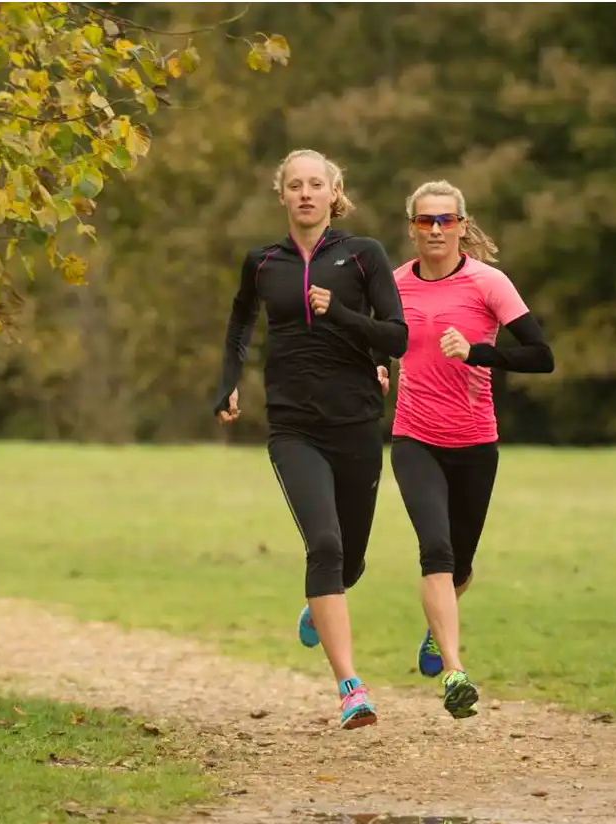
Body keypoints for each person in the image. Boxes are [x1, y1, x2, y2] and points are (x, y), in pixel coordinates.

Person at [214, 149, 409, 730]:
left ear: (333, 192)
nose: (305, 193)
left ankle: (318, 608)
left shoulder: (364, 255)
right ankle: (351, 687)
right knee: (323, 545)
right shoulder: (262, 262)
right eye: (294, 185)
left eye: (315, 184)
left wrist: (343, 315)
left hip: (355, 422)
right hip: (293, 425)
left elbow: (396, 336)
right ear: (282, 195)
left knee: (350, 562)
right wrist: (228, 384)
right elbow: (239, 325)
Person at [383, 179, 555, 720]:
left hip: (476, 442)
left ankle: (438, 632)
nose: (436, 230)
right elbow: (369, 341)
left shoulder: (489, 283)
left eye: (446, 220)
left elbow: (541, 355)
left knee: (460, 566)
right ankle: (456, 670)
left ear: (461, 225)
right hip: (414, 437)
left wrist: (481, 353)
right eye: (426, 221)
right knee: (435, 552)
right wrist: (373, 365)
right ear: (412, 227)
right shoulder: (392, 287)